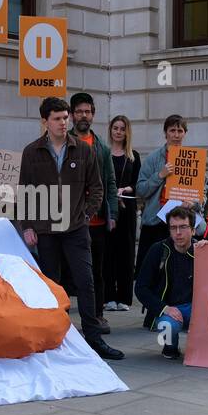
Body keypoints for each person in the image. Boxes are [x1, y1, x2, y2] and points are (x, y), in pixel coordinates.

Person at [18, 97, 123, 361]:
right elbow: (24, 191)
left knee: (86, 282)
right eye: (57, 118)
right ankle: (58, 337)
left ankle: (94, 338)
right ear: (45, 121)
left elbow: (97, 187)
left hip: (76, 228)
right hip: (46, 230)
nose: (63, 123)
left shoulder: (84, 150)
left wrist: (86, 214)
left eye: (66, 117)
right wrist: (27, 225)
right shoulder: (31, 152)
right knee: (52, 284)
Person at [70, 92, 118, 332]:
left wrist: (113, 215)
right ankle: (64, 317)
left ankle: (97, 316)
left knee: (96, 272)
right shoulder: (62, 143)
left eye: (87, 111)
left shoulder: (102, 148)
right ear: (71, 115)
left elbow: (110, 181)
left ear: (93, 115)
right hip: (70, 220)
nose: (83, 115)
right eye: (79, 111)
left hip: (97, 221)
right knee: (70, 272)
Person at [135, 206, 208, 360]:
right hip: (169, 308)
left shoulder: (201, 251)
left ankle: (202, 348)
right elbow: (141, 288)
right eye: (173, 228)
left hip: (195, 308)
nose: (178, 233)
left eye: (183, 227)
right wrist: (164, 308)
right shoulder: (158, 250)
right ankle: (169, 347)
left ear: (193, 230)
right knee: (166, 327)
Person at [136, 114, 192, 275]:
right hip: (155, 220)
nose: (176, 134)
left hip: (181, 220)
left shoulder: (192, 158)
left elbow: (201, 194)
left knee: (177, 270)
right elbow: (140, 189)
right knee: (150, 269)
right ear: (165, 133)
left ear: (184, 133)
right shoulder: (153, 158)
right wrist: (160, 175)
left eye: (180, 131)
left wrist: (194, 202)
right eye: (172, 130)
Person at [104, 114, 141, 312]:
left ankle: (124, 297)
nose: (118, 132)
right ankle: (108, 296)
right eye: (115, 128)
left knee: (126, 253)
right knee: (108, 253)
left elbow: (138, 185)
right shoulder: (104, 153)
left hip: (127, 209)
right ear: (111, 130)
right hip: (109, 209)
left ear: (127, 132)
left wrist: (125, 189)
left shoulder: (133, 156)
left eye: (122, 128)